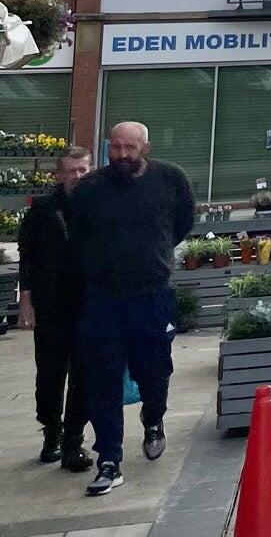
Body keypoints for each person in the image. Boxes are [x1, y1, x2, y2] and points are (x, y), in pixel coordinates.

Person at [65, 121, 196, 495]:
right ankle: (109, 459)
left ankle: (153, 419)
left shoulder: (171, 179)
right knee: (101, 380)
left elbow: (183, 223)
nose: (121, 155)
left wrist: (154, 254)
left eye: (129, 148)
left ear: (145, 148)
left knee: (153, 370)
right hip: (102, 300)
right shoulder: (90, 189)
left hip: (151, 296)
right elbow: (78, 234)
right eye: (115, 147)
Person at [18, 144, 94, 472]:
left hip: (90, 305)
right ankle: (51, 433)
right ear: (59, 174)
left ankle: (73, 441)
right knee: (50, 374)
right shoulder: (42, 210)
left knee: (84, 374)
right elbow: (27, 259)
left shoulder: (100, 206)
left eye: (82, 170)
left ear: (91, 170)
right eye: (71, 171)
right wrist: (26, 301)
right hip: (51, 305)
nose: (76, 176)